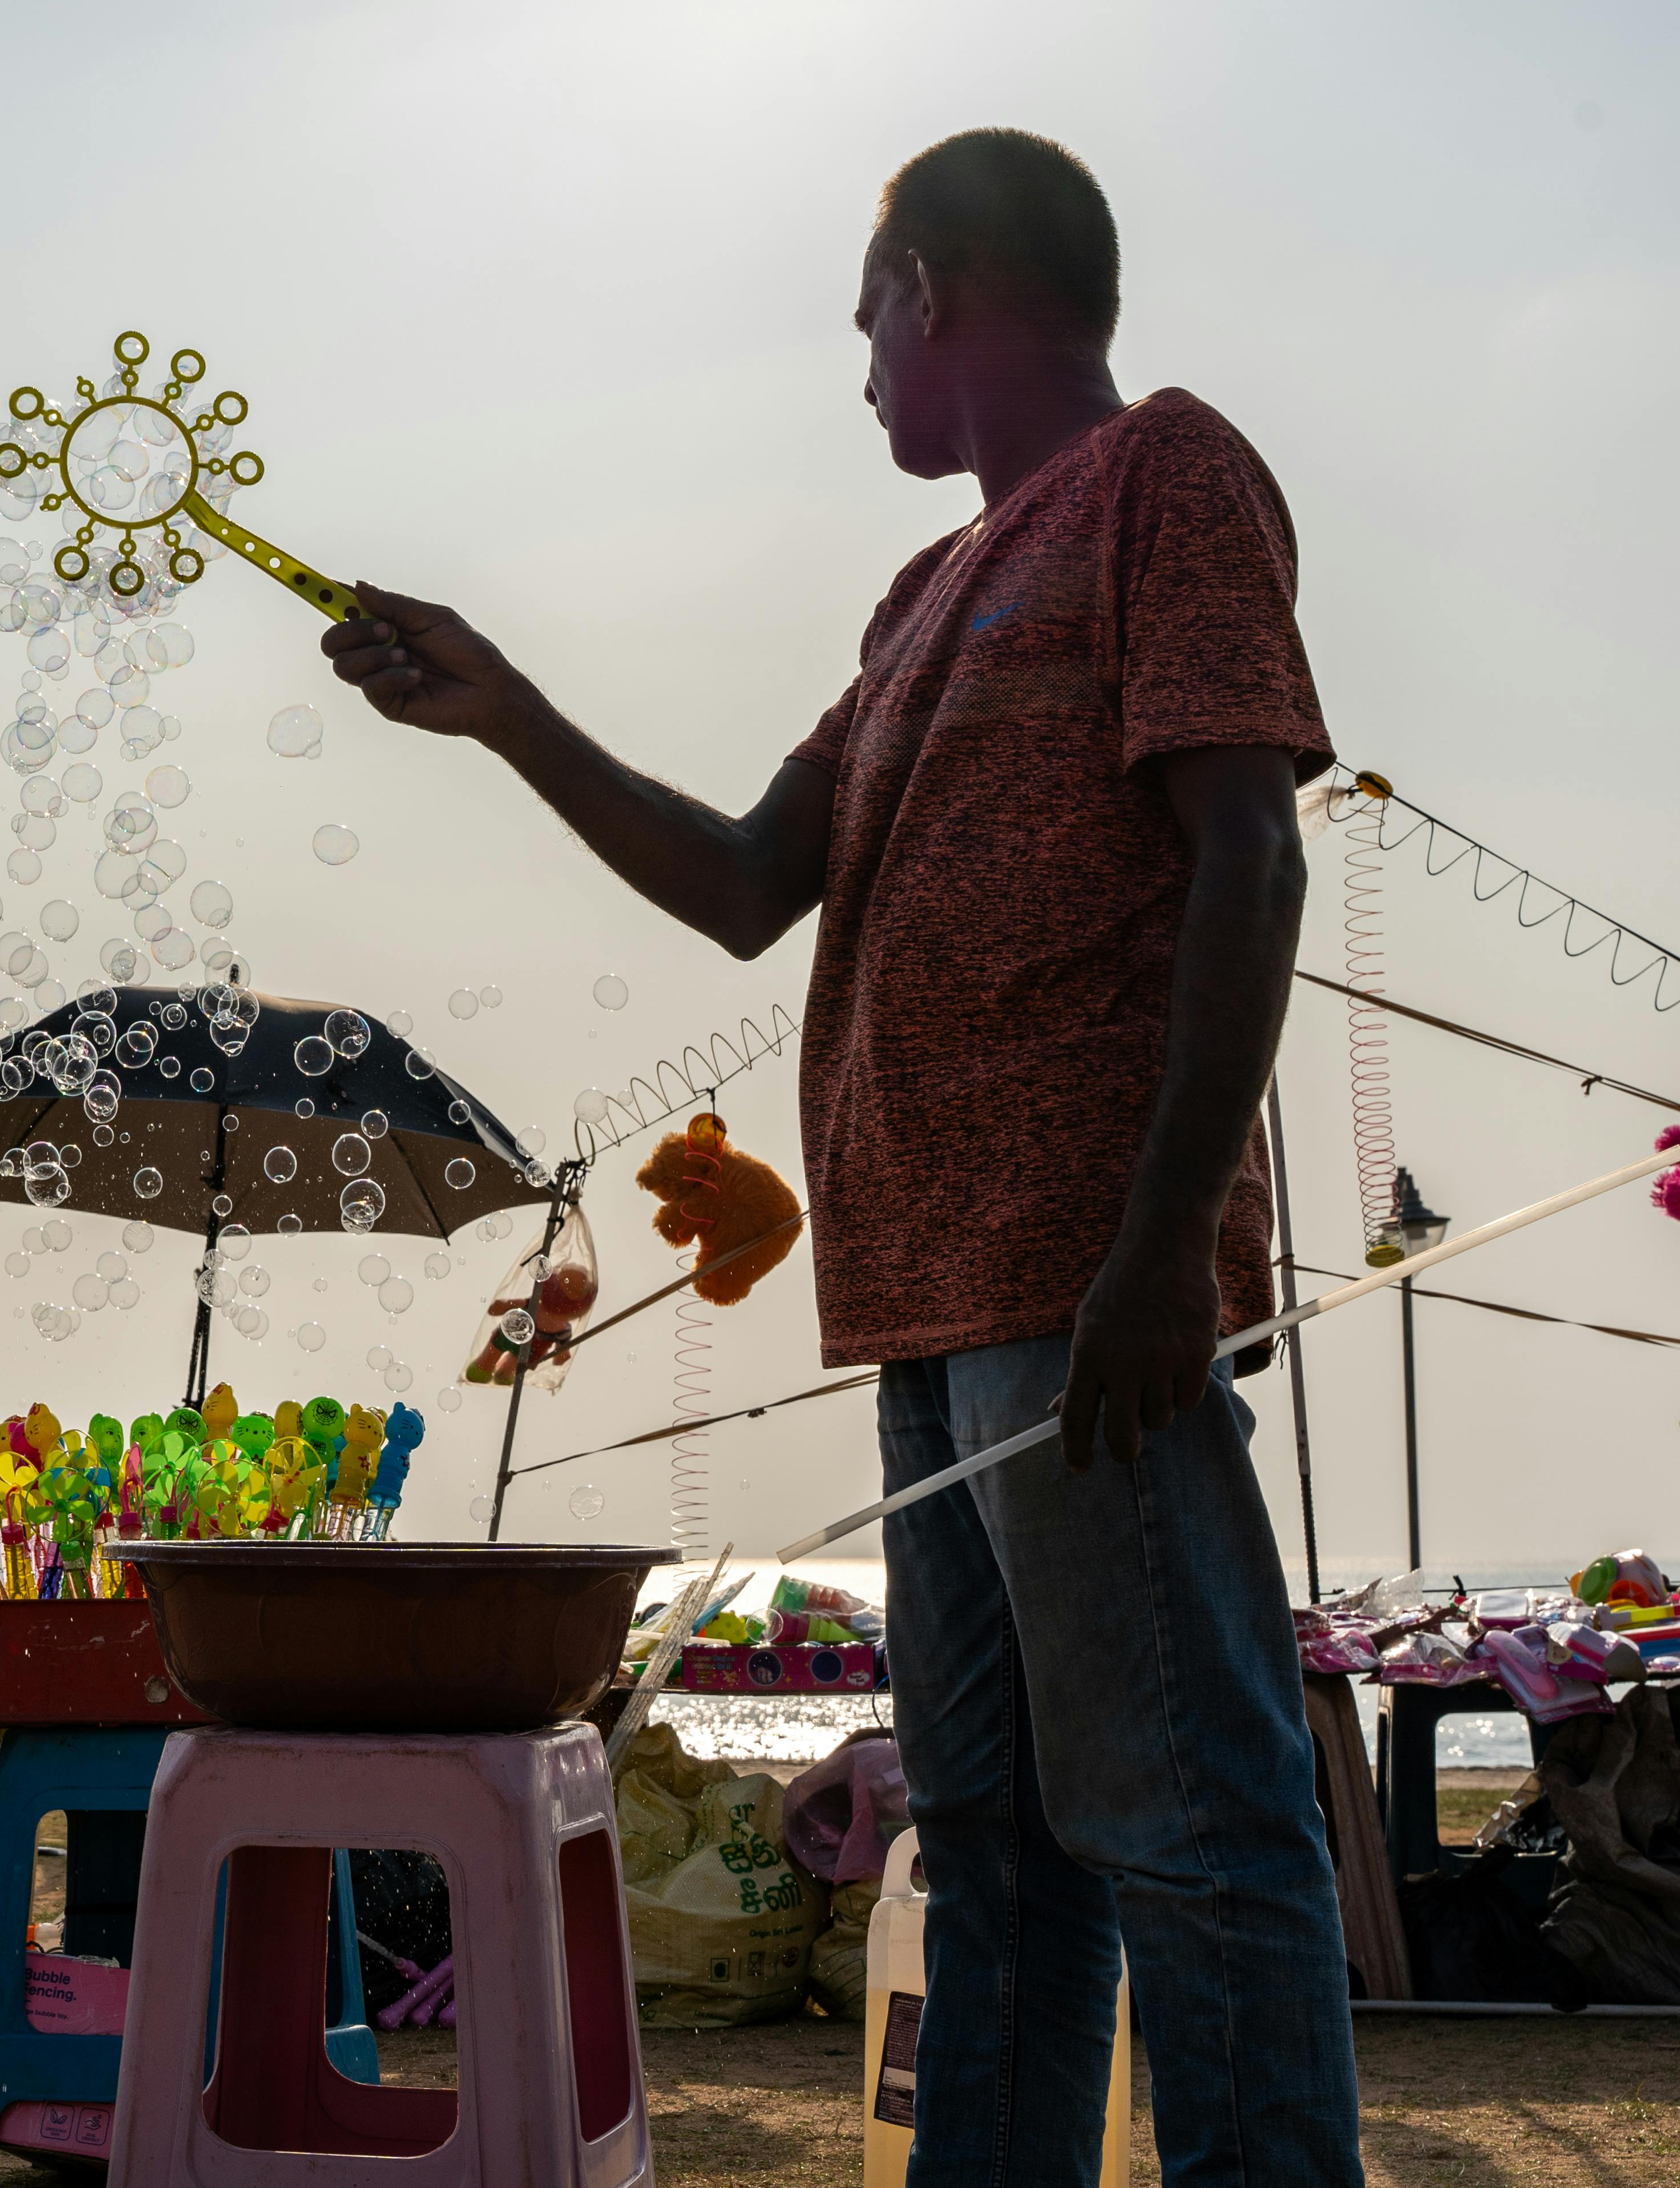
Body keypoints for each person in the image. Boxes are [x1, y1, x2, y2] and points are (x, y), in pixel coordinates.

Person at [324, 129, 1358, 2186]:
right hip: (919, 1299)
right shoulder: (917, 594)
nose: (857, 371)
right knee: (986, 1841)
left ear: (937, 280)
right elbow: (736, 880)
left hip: (1080, 1292)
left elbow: (1246, 844)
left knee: (1181, 1814)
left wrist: (1162, 1246)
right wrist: (502, 706)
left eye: (861, 319)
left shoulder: (1165, 470)